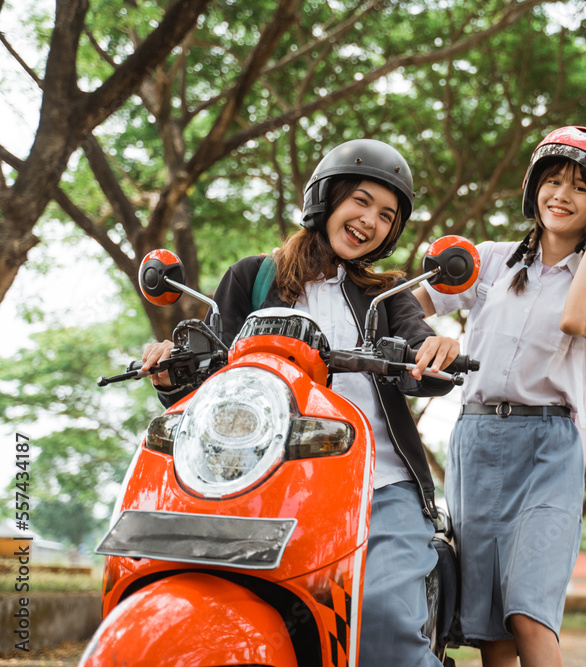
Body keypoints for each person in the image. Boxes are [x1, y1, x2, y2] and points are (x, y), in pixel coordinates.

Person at [141, 138, 458, 666]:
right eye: (360, 200)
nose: (370, 220)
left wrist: (436, 351)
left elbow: (421, 356)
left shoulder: (387, 293)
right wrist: (170, 368)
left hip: (379, 485)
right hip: (266, 484)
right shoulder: (252, 277)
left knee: (381, 619)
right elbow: (213, 380)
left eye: (386, 215)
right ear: (326, 198)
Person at [414, 126, 586, 666]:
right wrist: (425, 339)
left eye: (581, 188)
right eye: (553, 181)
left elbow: (575, 320)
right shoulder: (489, 259)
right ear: (534, 185)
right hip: (478, 439)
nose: (562, 195)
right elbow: (410, 305)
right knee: (492, 631)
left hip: (549, 444)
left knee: (529, 613)